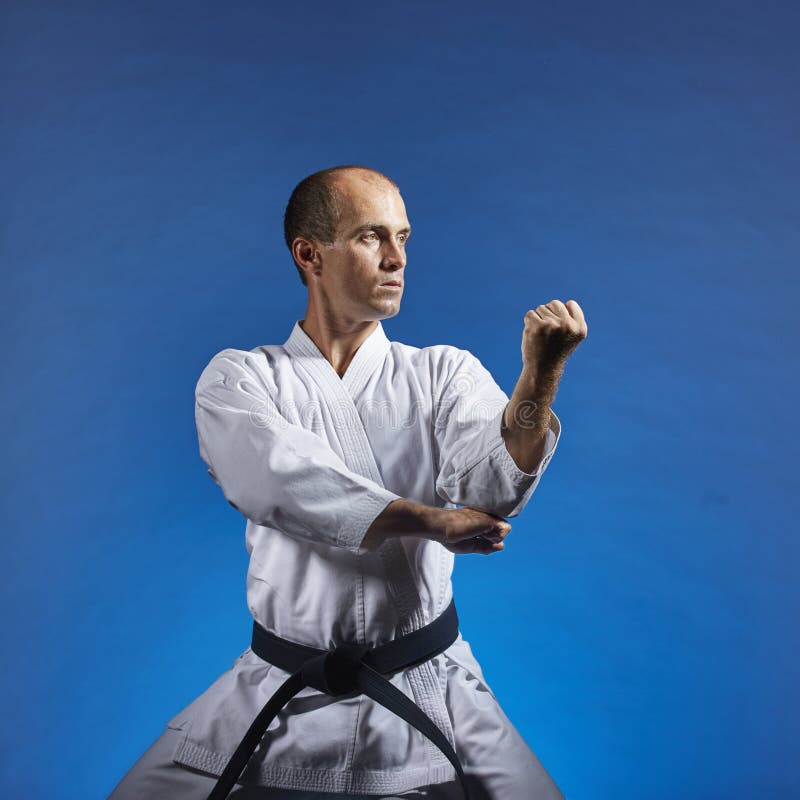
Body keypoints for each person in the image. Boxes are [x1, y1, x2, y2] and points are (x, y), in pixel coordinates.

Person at [107, 165, 587, 800]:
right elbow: (277, 479)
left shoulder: (443, 374)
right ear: (310, 255)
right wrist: (428, 520)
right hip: (283, 686)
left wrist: (540, 374)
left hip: (428, 679)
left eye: (405, 238)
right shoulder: (242, 379)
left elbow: (494, 492)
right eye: (370, 237)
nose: (397, 258)